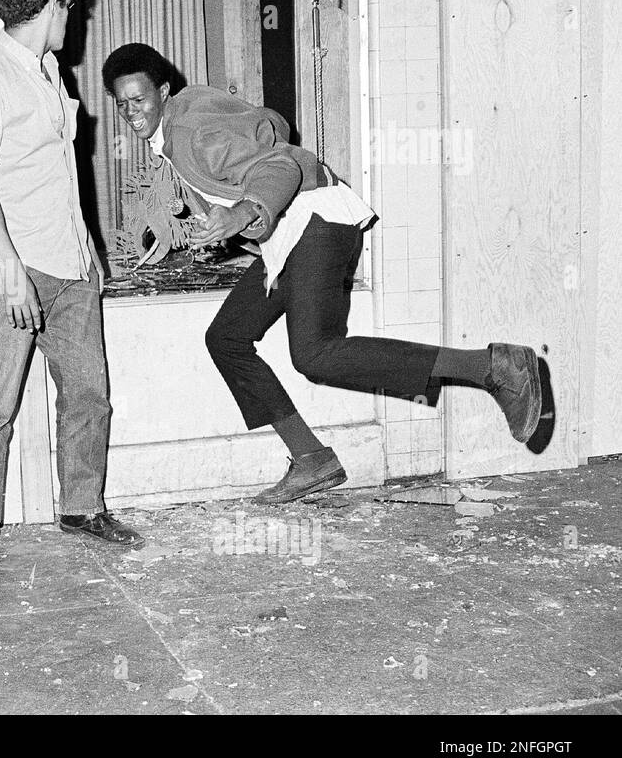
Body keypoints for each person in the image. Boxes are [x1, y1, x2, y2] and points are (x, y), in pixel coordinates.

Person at [101, 42, 546, 504]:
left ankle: (493, 366)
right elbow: (267, 132)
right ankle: (311, 458)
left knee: (315, 353)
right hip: (289, 234)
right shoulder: (178, 130)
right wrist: (215, 217)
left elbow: (278, 164)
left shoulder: (194, 127)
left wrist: (247, 210)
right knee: (228, 337)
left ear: (164, 92)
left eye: (141, 100)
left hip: (314, 221)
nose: (132, 112)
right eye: (122, 104)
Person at [0, 0, 144, 567]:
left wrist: (89, 255)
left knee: (89, 394)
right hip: (12, 265)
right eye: (70, 7)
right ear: (52, 4)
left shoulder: (50, 69)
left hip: (70, 261)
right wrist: (10, 275)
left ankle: (82, 507)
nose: (75, 20)